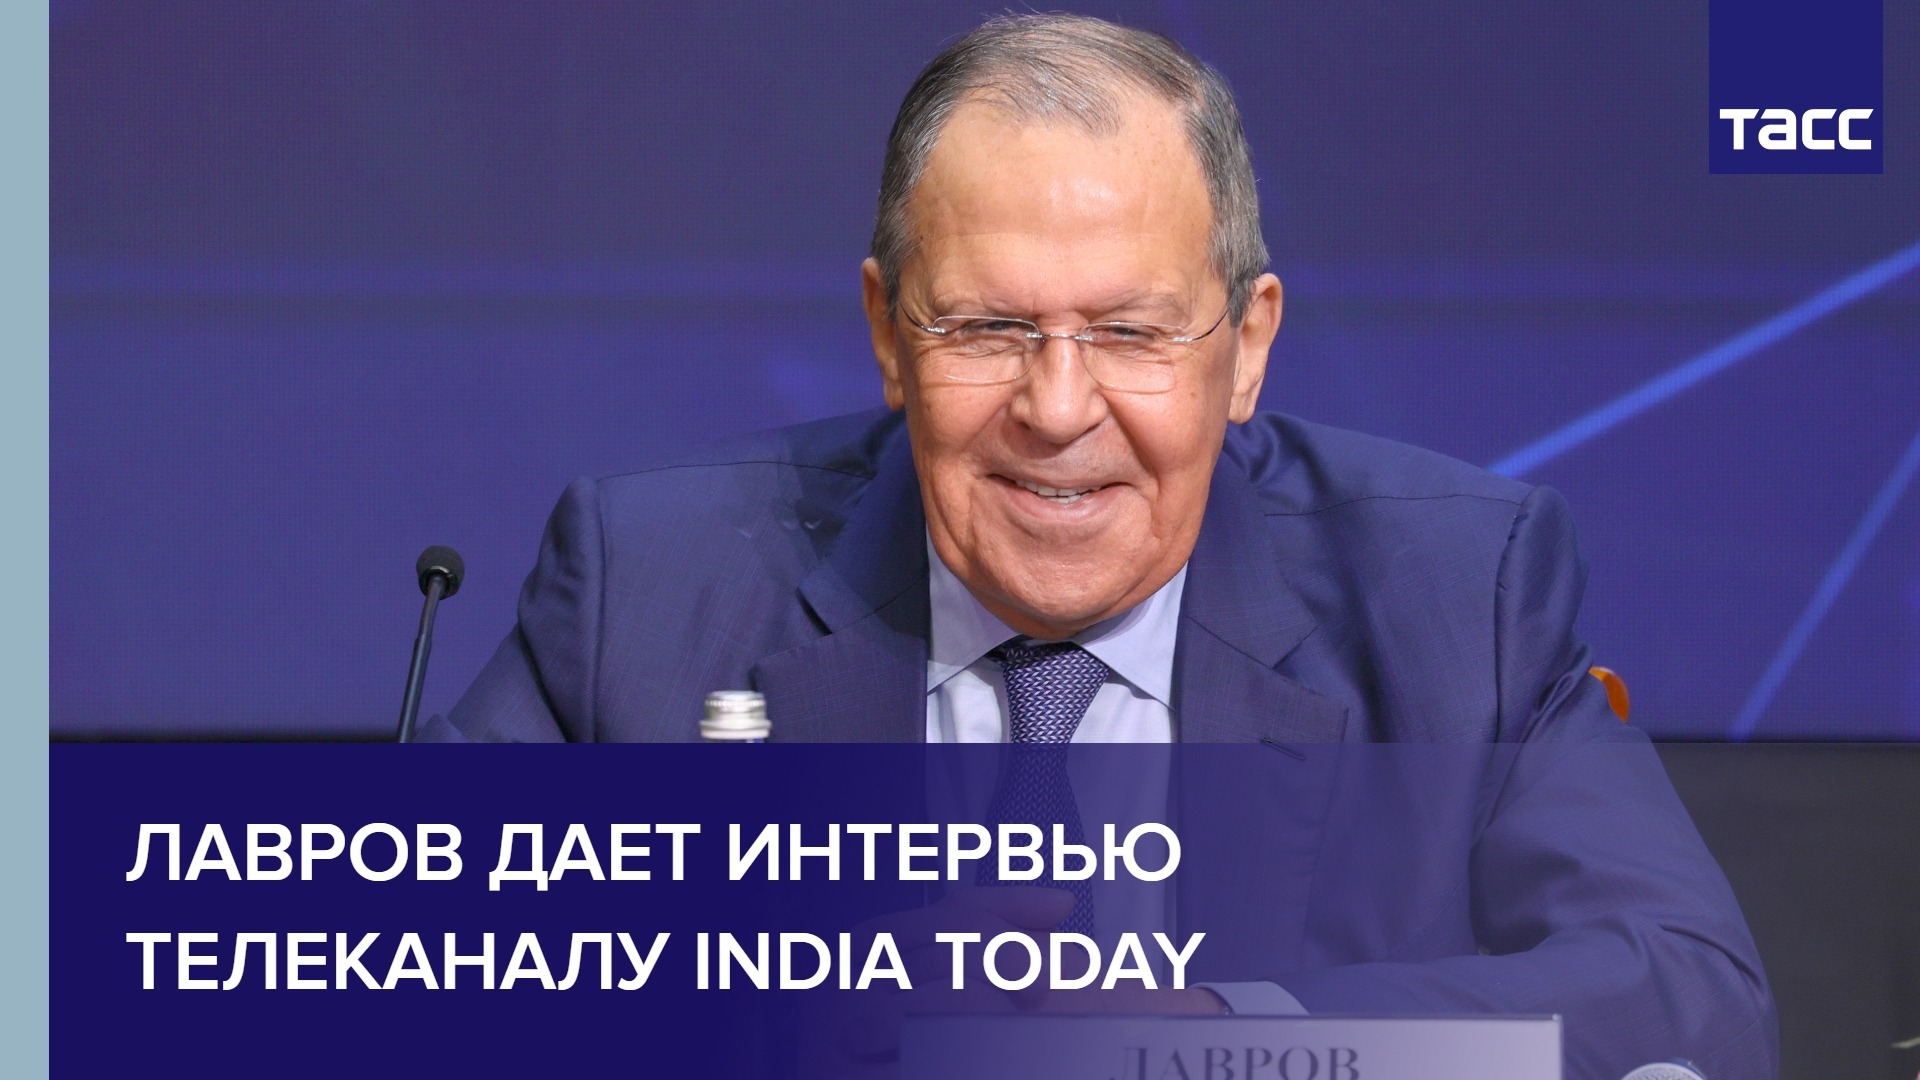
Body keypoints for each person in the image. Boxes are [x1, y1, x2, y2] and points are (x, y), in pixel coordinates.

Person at [426, 14, 1775, 1079]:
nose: (1059, 409)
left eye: (1131, 333)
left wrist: (1215, 1040)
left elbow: (1687, 997)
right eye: (987, 328)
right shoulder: (650, 584)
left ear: (1248, 346)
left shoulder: (1455, 596)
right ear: (889, 334)